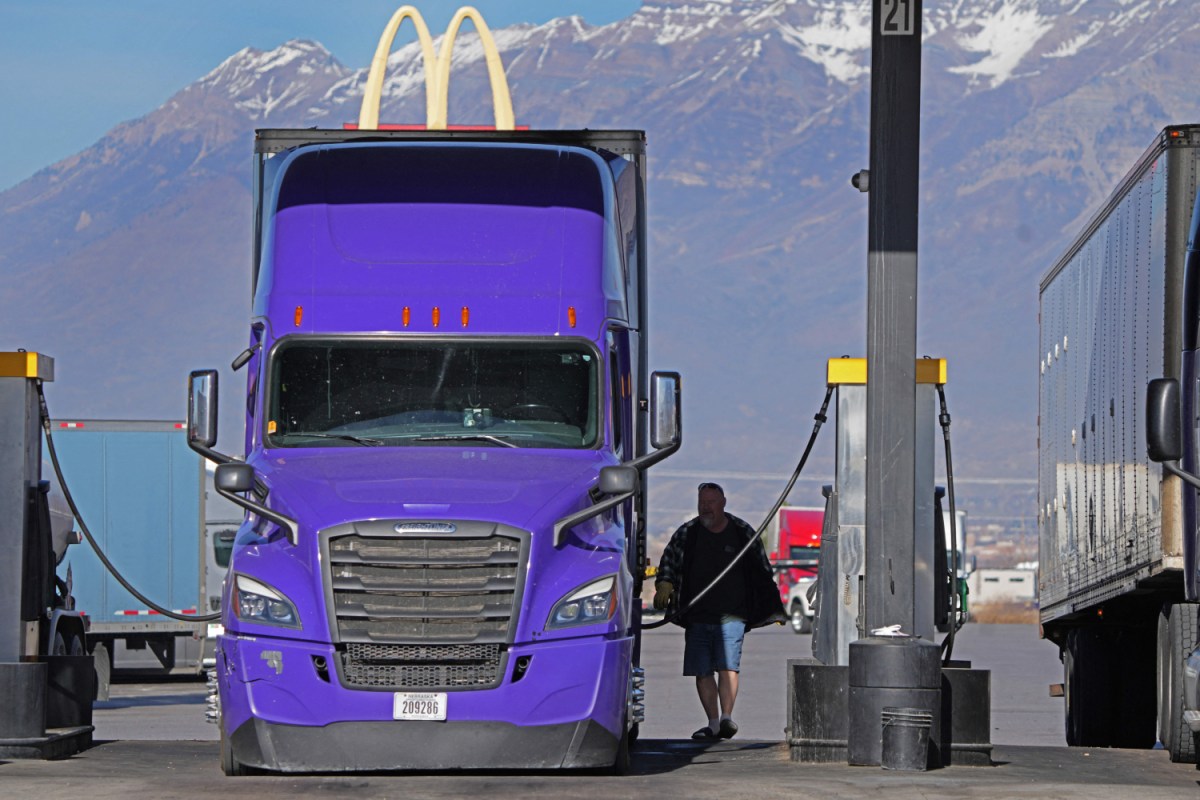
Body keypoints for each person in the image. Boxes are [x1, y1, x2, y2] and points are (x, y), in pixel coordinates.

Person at [652, 482, 786, 741]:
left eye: (711, 502)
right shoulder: (687, 533)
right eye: (702, 502)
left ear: (723, 503)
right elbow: (669, 560)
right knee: (702, 671)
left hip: (733, 615)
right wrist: (665, 584)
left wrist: (772, 606)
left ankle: (726, 717)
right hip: (697, 615)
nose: (705, 507)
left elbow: (762, 569)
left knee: (728, 666)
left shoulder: (742, 532)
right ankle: (713, 724)